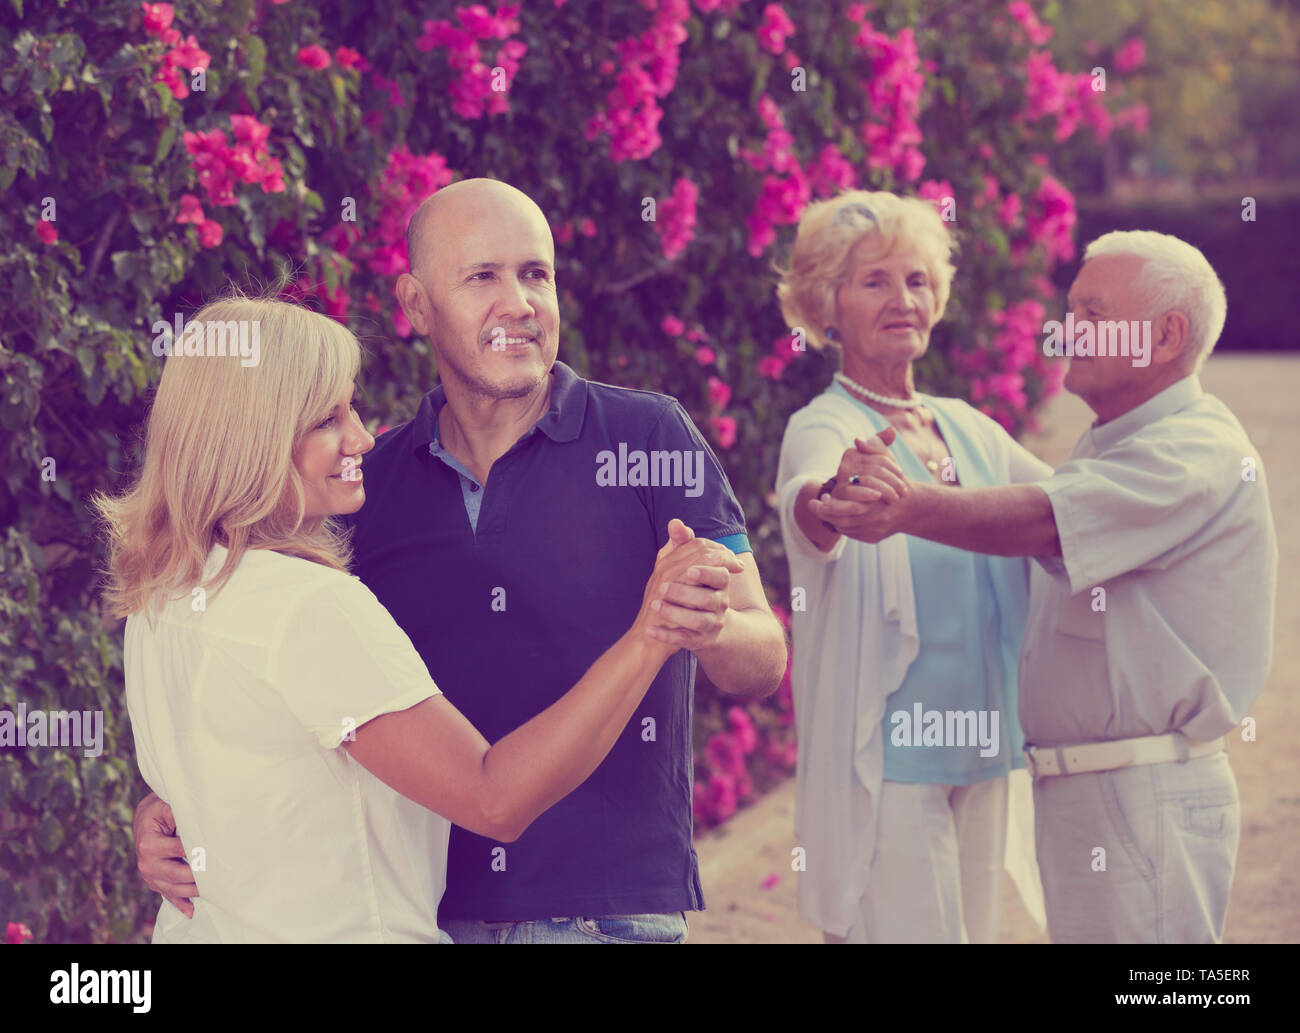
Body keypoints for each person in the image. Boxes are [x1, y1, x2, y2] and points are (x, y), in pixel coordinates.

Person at [133, 178, 789, 945]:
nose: (519, 302)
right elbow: (277, 694)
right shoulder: (361, 489)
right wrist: (172, 805)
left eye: (536, 274)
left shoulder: (650, 440)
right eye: (483, 276)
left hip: (603, 915)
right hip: (431, 913)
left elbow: (763, 655)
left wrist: (699, 622)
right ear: (416, 305)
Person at [821, 229, 1278, 943]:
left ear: (1165, 336)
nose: (1067, 332)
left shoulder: (1196, 446)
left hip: (1142, 792)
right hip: (1100, 792)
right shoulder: (1112, 443)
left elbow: (1044, 520)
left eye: (1093, 314)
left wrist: (906, 505)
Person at [774, 190, 1048, 944]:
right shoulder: (824, 424)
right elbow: (812, 502)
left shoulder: (968, 425)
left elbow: (1062, 509)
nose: (903, 298)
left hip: (985, 741)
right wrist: (838, 496)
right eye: (874, 281)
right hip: (891, 759)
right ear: (826, 307)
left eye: (917, 280)